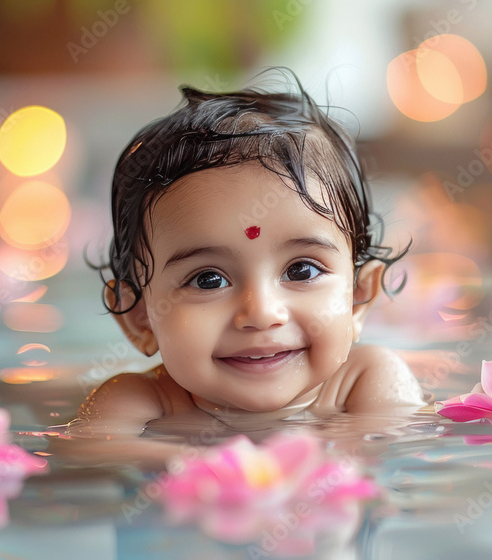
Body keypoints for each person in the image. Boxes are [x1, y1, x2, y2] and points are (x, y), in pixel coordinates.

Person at [67, 70, 424, 459]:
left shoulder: (368, 380)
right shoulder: (143, 401)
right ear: (141, 318)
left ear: (357, 298)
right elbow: (90, 454)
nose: (261, 313)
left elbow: (388, 456)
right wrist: (210, 467)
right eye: (207, 280)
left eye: (301, 270)